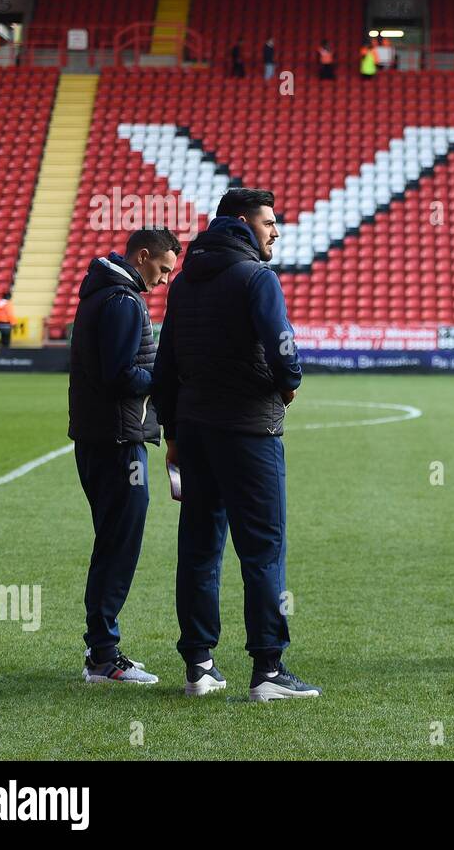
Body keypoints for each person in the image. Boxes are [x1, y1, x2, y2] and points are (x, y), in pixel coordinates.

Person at [151, 188, 317, 702]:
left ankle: (199, 667)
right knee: (263, 551)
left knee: (199, 548)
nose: (275, 232)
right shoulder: (257, 278)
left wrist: (174, 433)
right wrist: (291, 381)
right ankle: (268, 670)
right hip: (249, 432)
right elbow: (281, 343)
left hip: (196, 431)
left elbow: (166, 364)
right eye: (269, 222)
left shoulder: (183, 284)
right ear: (244, 221)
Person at [69, 229, 181, 684]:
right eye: (163, 269)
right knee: (119, 544)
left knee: (112, 541)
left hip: (101, 436)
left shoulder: (106, 294)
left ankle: (101, 648)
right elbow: (118, 375)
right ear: (142, 256)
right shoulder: (121, 301)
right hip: (118, 440)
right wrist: (164, 377)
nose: (164, 281)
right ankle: (103, 655)